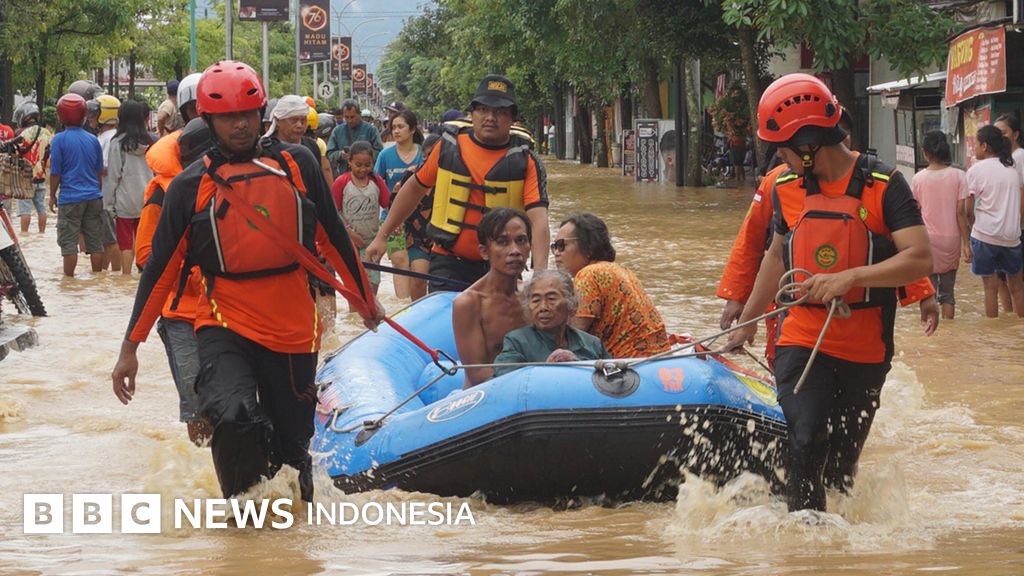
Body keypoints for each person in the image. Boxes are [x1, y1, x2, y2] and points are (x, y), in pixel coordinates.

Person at [111, 60, 383, 502]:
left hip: (292, 325)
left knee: (294, 449)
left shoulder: (298, 164)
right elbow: (158, 271)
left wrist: (364, 302)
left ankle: (296, 538)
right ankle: (242, 525)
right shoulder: (187, 186)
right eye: (227, 116)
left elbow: (332, 238)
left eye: (247, 114)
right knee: (232, 415)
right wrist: (130, 349)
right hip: (224, 321)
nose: (239, 125)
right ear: (207, 120)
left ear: (262, 115)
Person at [720, 73, 934, 513]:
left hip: (865, 347)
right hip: (802, 337)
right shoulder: (784, 187)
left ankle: (835, 541)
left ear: (809, 143)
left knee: (839, 469)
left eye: (782, 148)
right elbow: (775, 257)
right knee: (804, 436)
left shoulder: (885, 184)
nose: (778, 159)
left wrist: (850, 279)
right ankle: (806, 542)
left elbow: (919, 258)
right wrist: (745, 324)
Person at [718, 110, 938, 366]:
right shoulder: (778, 183)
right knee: (785, 365)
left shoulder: (876, 183)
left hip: (855, 324)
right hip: (793, 303)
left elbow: (893, 247)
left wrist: (923, 292)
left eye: (843, 137)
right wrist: (739, 300)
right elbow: (753, 242)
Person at [367, 74, 550, 292]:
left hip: (503, 267)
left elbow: (539, 222)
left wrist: (540, 278)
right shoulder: (447, 148)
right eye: (483, 110)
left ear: (513, 119)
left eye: (500, 112)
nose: (490, 117)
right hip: (449, 262)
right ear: (471, 114)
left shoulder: (526, 161)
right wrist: (382, 236)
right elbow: (415, 189)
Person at [134, 117, 214, 445]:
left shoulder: (235, 184)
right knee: (196, 406)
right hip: (180, 314)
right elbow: (144, 258)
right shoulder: (162, 196)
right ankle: (200, 477)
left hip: (228, 309)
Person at [552, 212, 669, 358]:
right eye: (554, 246)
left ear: (588, 248)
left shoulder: (588, 275)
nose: (556, 252)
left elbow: (575, 336)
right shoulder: (623, 270)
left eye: (561, 245)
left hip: (629, 364)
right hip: (660, 357)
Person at [453, 208, 531, 387]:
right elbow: (478, 373)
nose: (515, 251)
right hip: (489, 396)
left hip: (533, 391)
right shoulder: (469, 303)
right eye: (503, 242)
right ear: (484, 252)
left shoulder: (533, 294)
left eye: (521, 241)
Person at [494, 269, 608, 377]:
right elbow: (504, 379)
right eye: (536, 300)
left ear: (571, 303)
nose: (543, 307)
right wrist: (546, 371)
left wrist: (579, 367)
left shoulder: (592, 344)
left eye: (551, 299)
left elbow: (613, 380)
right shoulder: (517, 342)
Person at [964, 125, 1024, 318]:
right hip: (1012, 237)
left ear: (985, 146)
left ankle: (992, 337)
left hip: (985, 236)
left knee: (990, 289)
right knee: (1017, 287)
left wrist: (972, 228)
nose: (974, 149)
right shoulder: (1012, 169)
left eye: (976, 144)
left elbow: (966, 210)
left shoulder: (976, 170)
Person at [911, 131, 968, 319]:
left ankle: (932, 341)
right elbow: (961, 212)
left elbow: (914, 213)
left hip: (928, 240)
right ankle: (949, 337)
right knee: (948, 295)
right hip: (951, 240)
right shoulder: (959, 176)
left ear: (925, 152)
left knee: (928, 293)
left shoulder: (918, 179)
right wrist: (966, 243)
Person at [49, 93, 105, 277]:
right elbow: (99, 172)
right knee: (96, 242)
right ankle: (97, 279)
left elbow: (55, 172)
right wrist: (97, 191)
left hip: (70, 199)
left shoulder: (58, 140)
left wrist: (51, 195)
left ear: (60, 116)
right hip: (94, 197)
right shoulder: (93, 140)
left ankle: (69, 282)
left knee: (69, 245)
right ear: (84, 116)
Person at [375, 108, 424, 300]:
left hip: (421, 221)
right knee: (399, 261)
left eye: (401, 127)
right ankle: (403, 308)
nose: (396, 131)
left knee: (417, 266)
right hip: (392, 218)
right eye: (393, 127)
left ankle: (417, 305)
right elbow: (377, 186)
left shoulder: (423, 154)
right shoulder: (385, 156)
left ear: (412, 129)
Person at [103, 100, 155, 275]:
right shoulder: (152, 142)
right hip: (148, 198)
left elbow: (113, 176)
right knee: (144, 242)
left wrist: (108, 204)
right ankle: (142, 277)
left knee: (126, 243)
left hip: (125, 200)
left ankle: (125, 278)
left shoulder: (117, 143)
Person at [331, 140, 390, 295]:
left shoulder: (377, 182)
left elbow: (388, 205)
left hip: (371, 241)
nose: (363, 169)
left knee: (372, 286)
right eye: (358, 165)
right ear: (349, 162)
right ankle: (355, 317)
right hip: (349, 241)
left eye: (368, 165)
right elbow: (334, 211)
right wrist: (349, 232)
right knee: (355, 287)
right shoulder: (341, 182)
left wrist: (388, 231)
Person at [390, 134, 441, 301]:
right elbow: (396, 198)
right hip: (416, 235)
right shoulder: (412, 174)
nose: (428, 161)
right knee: (419, 277)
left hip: (443, 236)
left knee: (439, 283)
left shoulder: (451, 177)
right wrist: (394, 223)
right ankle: (418, 310)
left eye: (433, 156)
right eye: (425, 156)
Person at [262, 95, 333, 186]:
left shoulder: (311, 146)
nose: (299, 125)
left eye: (303, 120)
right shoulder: (267, 150)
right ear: (278, 121)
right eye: (294, 120)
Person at [993, 114, 1024, 312]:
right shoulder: (1000, 160)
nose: (1000, 138)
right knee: (1000, 279)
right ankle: (1009, 321)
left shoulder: (1020, 158)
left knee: (1016, 280)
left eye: (1003, 133)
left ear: (1016, 134)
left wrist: (1017, 223)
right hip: (1002, 229)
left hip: (1016, 229)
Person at [11, 101, 52, 234]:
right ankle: (42, 234)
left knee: (25, 210)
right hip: (41, 176)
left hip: (25, 178)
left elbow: (13, 153)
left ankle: (24, 234)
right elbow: (47, 154)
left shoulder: (20, 132)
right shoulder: (46, 133)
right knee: (41, 208)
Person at [96, 94, 122, 271]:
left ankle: (113, 272)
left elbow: (105, 168)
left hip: (107, 194)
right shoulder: (117, 135)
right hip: (118, 195)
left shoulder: (105, 139)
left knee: (110, 239)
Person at [325, 99, 382, 174]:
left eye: (352, 117)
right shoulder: (337, 131)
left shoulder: (371, 130)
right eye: (346, 117)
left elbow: (380, 152)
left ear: (359, 114)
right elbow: (329, 154)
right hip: (345, 176)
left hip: (366, 175)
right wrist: (340, 155)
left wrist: (363, 156)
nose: (349, 120)